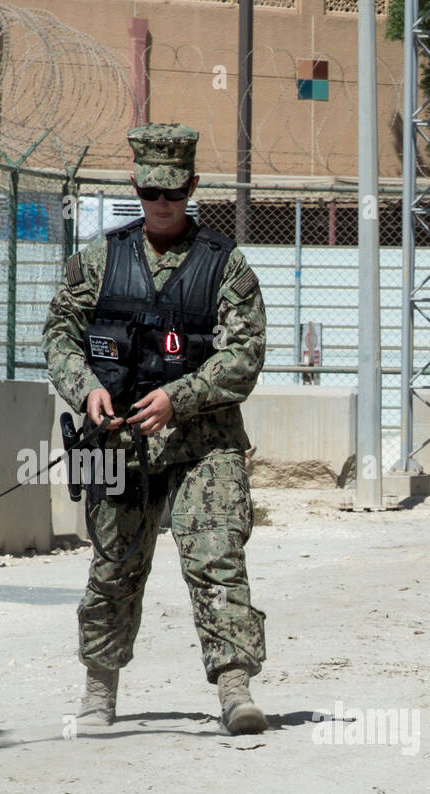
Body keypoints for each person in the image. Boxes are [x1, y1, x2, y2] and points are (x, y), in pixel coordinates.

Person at [42, 123, 269, 735]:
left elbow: (243, 357)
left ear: (192, 187)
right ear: (136, 188)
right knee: (114, 565)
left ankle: (234, 687)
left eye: (172, 193)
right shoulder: (96, 260)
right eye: (150, 193)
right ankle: (99, 685)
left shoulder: (226, 266)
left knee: (216, 557)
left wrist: (178, 396)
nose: (161, 204)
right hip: (117, 441)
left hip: (205, 441)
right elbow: (58, 335)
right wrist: (85, 386)